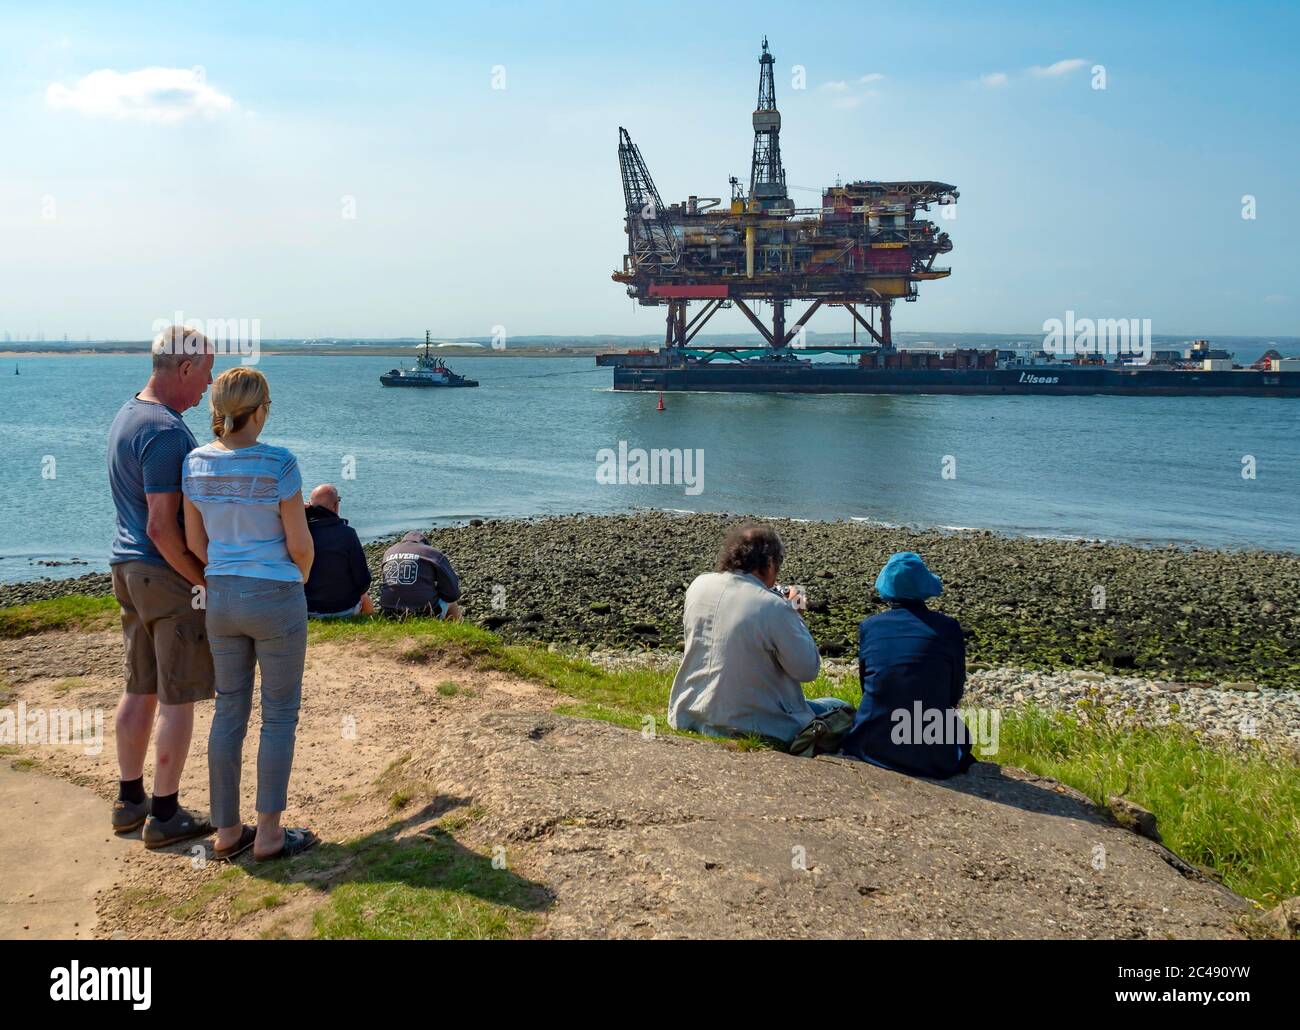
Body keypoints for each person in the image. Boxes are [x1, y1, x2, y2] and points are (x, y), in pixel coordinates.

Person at [181, 367, 318, 862]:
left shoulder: (195, 463)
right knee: (279, 714)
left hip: (221, 595)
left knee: (229, 711)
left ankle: (226, 832)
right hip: (275, 593)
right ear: (259, 411)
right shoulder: (279, 463)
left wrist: (225, 570)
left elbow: (195, 541)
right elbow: (300, 543)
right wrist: (299, 577)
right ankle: (270, 836)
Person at [108, 324, 216, 848]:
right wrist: (202, 577)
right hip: (165, 575)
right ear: (185, 367)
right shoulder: (167, 431)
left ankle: (130, 801)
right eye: (207, 372)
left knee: (139, 688)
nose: (210, 385)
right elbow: (161, 525)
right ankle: (166, 814)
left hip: (127, 569)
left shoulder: (127, 415)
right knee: (179, 696)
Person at [667, 523, 852, 752]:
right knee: (841, 707)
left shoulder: (699, 585)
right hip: (756, 724)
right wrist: (795, 616)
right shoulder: (774, 607)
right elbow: (807, 670)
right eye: (779, 561)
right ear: (770, 562)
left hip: (690, 714)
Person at [838, 552, 977, 778]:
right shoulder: (948, 628)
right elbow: (954, 693)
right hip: (931, 756)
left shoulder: (870, 626)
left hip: (870, 743)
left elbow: (867, 684)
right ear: (924, 586)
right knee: (963, 736)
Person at [303, 483, 374, 618]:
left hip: (308, 608)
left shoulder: (300, 533)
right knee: (364, 594)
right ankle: (371, 622)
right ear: (335, 505)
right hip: (343, 609)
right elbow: (363, 580)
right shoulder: (347, 534)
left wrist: (300, 515)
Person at [378, 531, 462, 620]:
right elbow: (452, 594)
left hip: (389, 612)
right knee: (451, 602)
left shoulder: (388, 552)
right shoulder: (433, 553)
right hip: (424, 613)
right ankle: (459, 627)